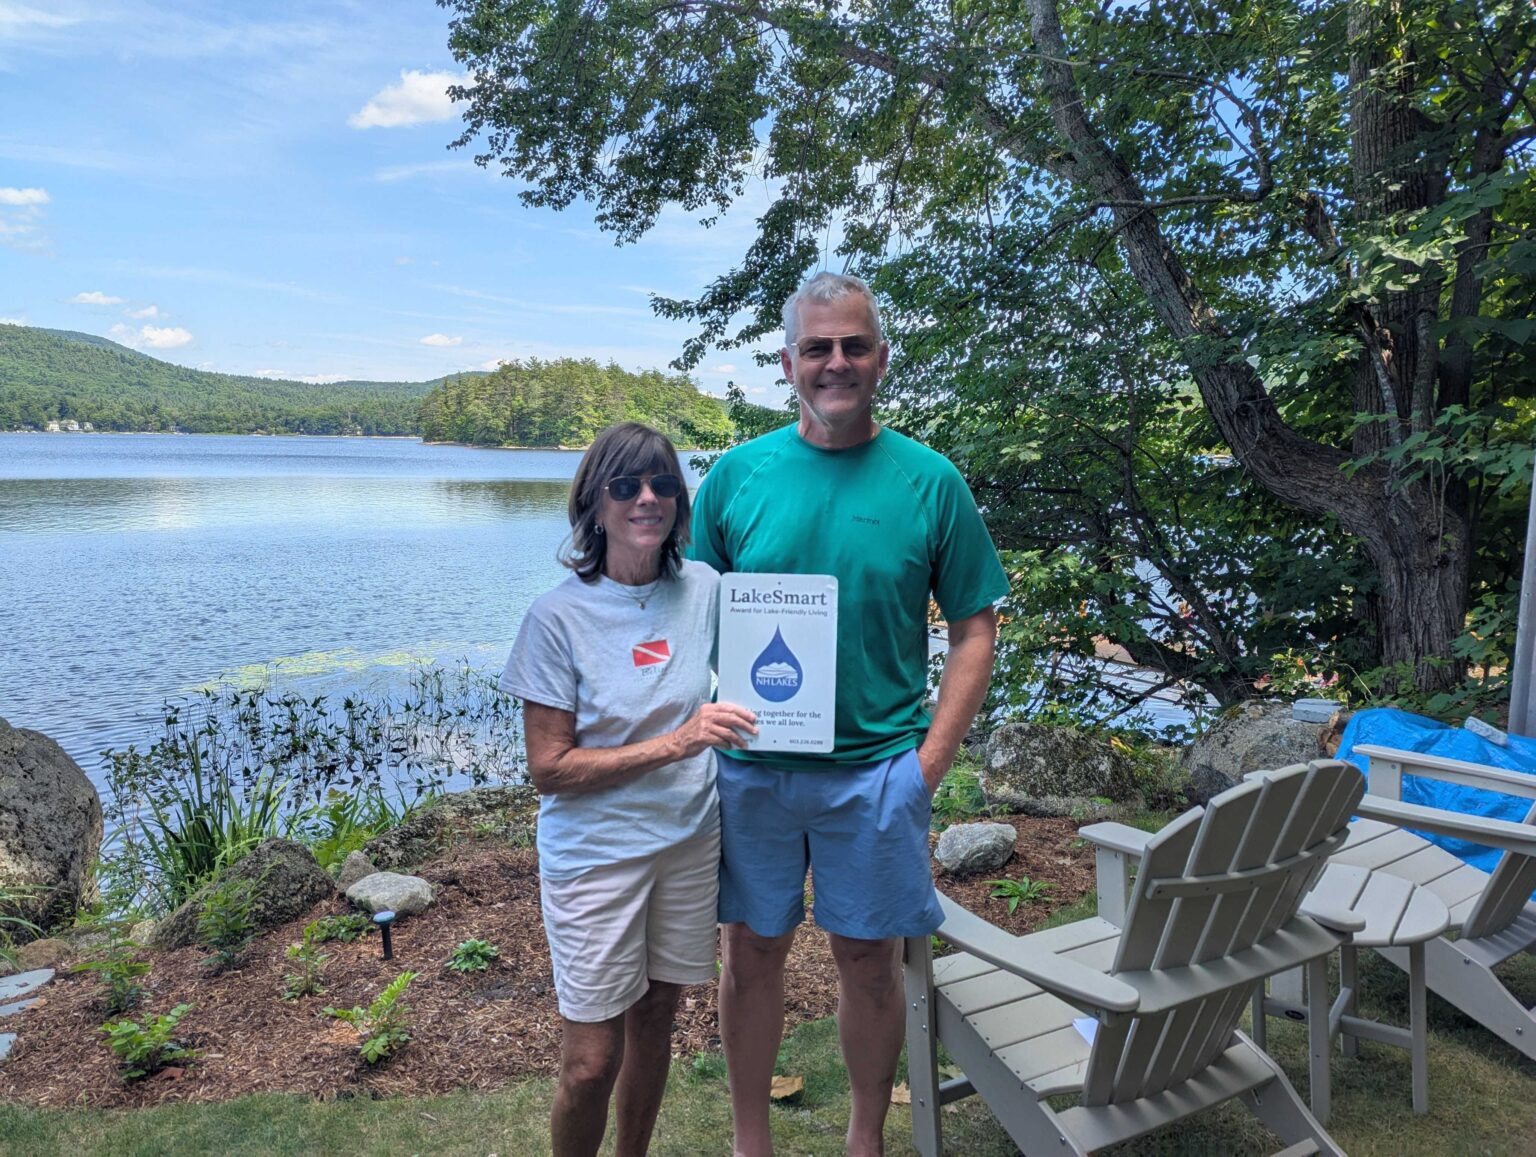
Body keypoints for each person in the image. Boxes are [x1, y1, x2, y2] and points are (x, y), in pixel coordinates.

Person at [690, 272, 1009, 1156]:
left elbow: (976, 626)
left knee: (868, 963)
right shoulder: (736, 477)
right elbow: (678, 616)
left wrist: (930, 759)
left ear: (880, 358)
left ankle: (864, 1136)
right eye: (818, 347)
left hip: (876, 775)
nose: (836, 363)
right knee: (749, 955)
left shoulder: (930, 480)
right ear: (788, 361)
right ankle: (750, 1140)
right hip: (752, 770)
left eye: (854, 345)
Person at [500, 421, 757, 1157]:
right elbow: (549, 768)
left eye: (663, 484)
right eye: (626, 485)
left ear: (679, 499)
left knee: (656, 1022)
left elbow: (782, 644)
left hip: (686, 841)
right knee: (590, 1061)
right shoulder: (557, 617)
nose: (647, 498)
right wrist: (680, 740)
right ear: (595, 503)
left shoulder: (704, 588)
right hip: (597, 857)